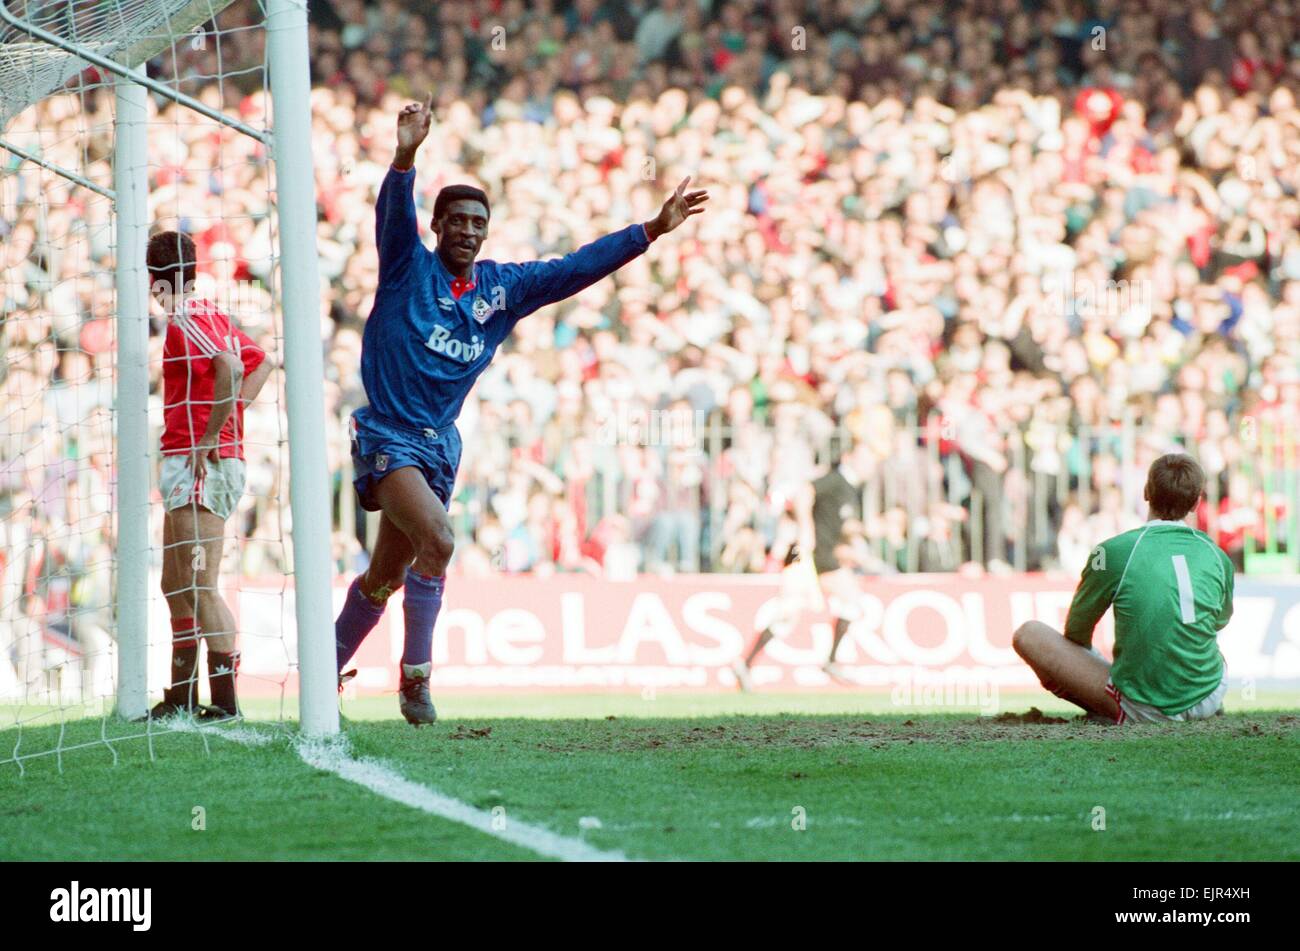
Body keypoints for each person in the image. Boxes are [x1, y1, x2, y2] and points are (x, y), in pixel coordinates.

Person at [334, 93, 708, 724]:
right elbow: (391, 212)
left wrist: (649, 230)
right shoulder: (404, 267)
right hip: (388, 436)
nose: (469, 231)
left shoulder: (502, 290)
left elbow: (575, 269)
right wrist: (405, 155)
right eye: (457, 221)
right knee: (442, 540)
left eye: (479, 223)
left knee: (385, 575)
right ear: (437, 226)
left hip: (438, 447)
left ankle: (320, 671)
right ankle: (416, 682)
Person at [147, 230, 273, 719]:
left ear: (155, 281)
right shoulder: (212, 314)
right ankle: (181, 699)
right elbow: (259, 361)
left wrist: (213, 433)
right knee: (175, 583)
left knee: (200, 584)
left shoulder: (186, 316)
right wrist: (230, 417)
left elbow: (230, 367)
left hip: (201, 460)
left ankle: (224, 706)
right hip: (190, 458)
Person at [1012, 453, 1233, 724]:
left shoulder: (1113, 552)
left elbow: (1077, 632)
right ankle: (1195, 703)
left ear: (1146, 493)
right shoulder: (1218, 556)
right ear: (1197, 502)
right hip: (1209, 695)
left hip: (1146, 707)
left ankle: (1113, 708)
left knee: (1029, 634)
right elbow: (1218, 621)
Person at [732, 441, 875, 690]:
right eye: (865, 459)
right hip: (801, 552)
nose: (870, 466)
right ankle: (746, 663)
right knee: (791, 610)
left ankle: (749, 663)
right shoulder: (835, 480)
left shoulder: (850, 488)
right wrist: (806, 530)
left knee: (847, 599)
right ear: (849, 457)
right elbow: (803, 493)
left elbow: (832, 523)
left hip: (820, 556)